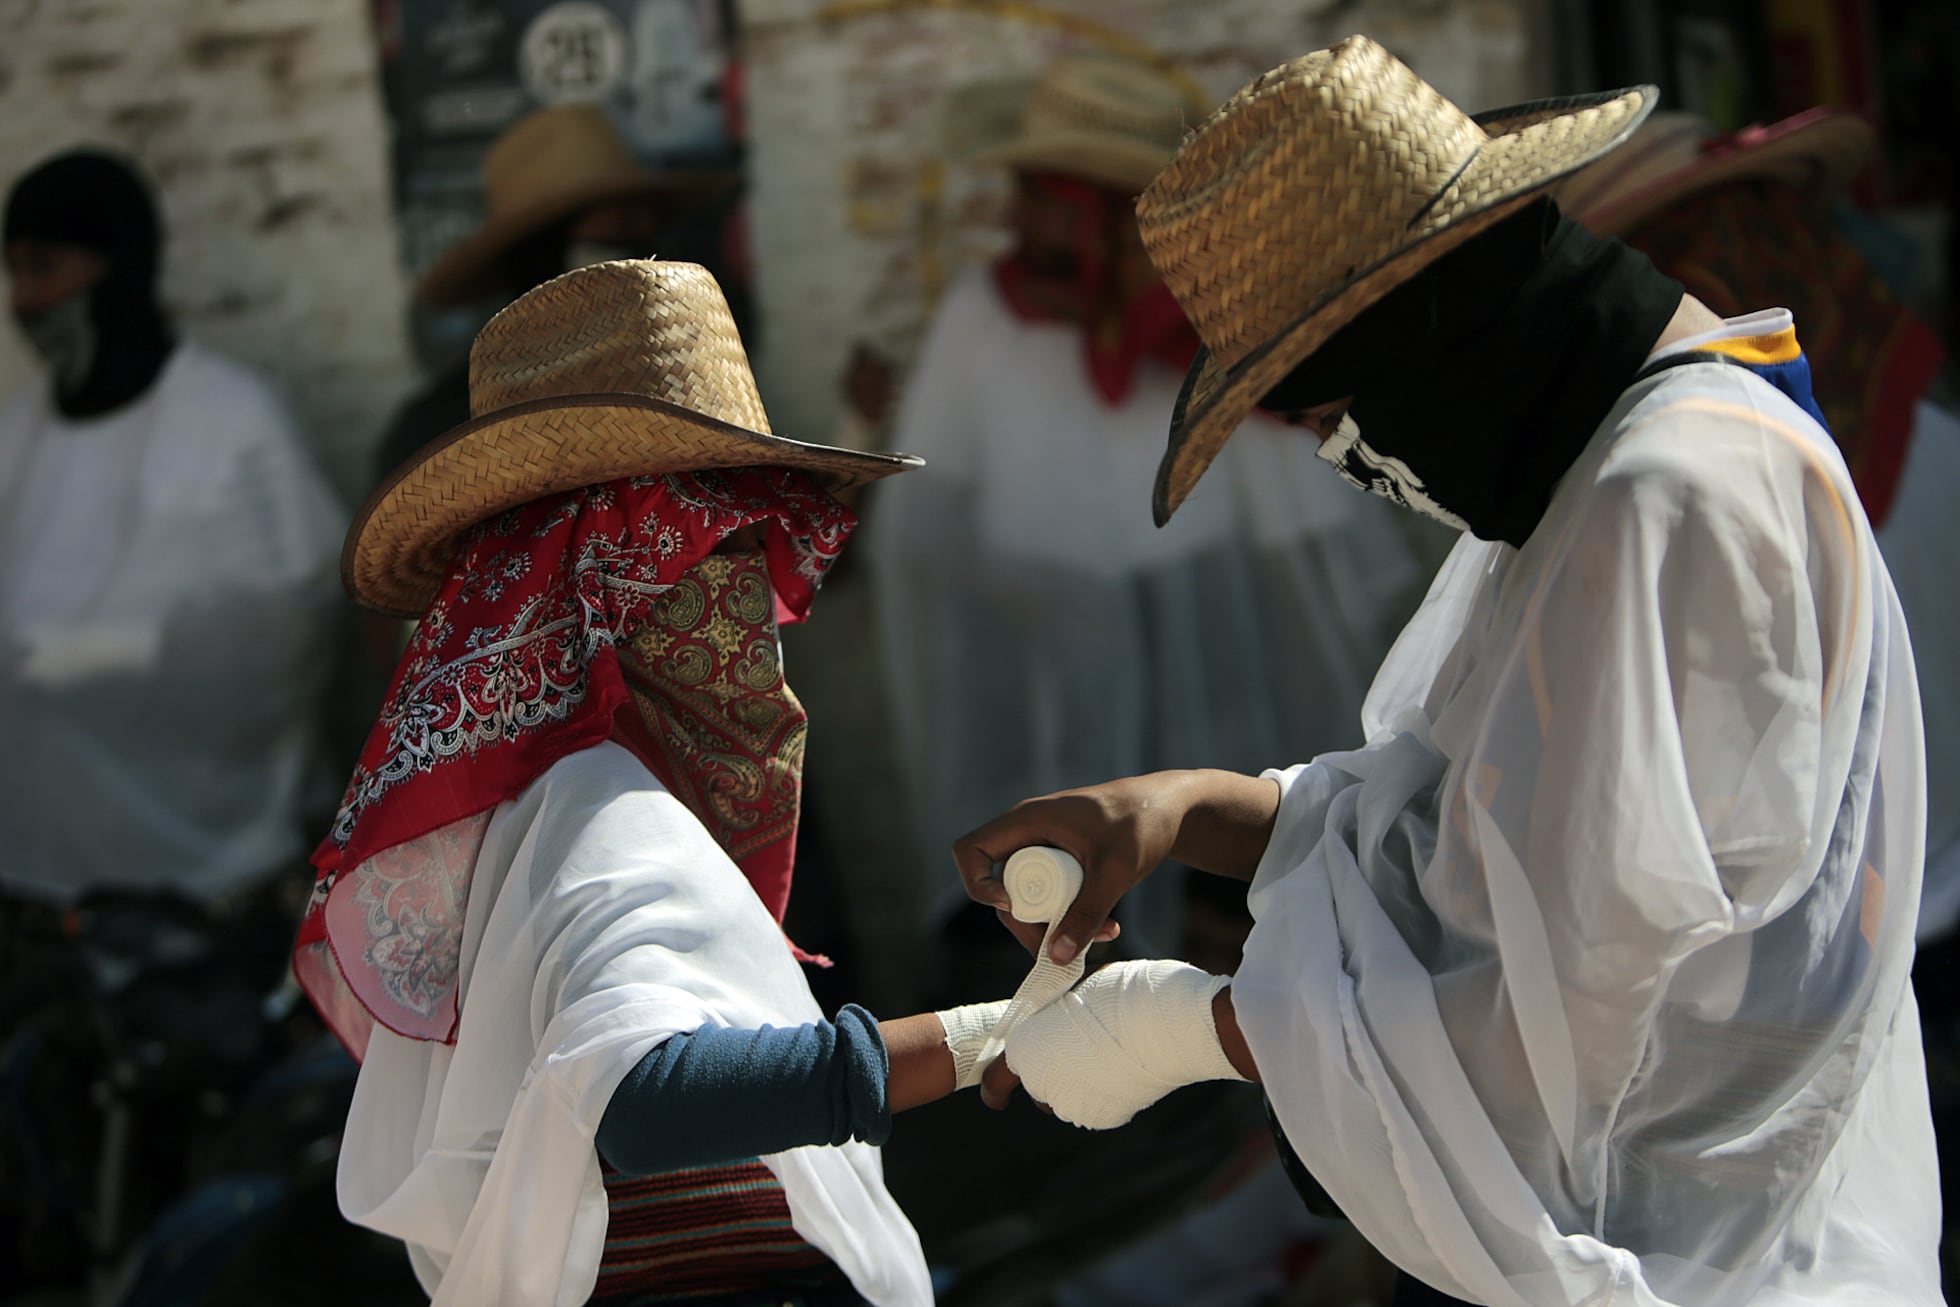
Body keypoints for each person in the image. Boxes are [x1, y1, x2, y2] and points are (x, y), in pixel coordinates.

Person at [955, 38, 1943, 1305]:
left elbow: (1559, 1021)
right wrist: (1189, 809)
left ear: (1424, 331)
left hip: (1710, 1259)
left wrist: (1180, 1029)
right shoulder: (1611, 465)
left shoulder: (1665, 498)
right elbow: (1494, 847)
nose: (1345, 460)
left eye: (1327, 419)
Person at [300, 258, 1028, 1307]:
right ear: (609, 588)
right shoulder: (604, 804)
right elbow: (637, 1096)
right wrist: (992, 1037)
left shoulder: (533, 791)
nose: (757, 603)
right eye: (722, 553)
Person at [867, 52, 1438, 950]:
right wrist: (1032, 588)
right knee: (1048, 910)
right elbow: (923, 529)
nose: (1027, 218)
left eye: (1057, 197)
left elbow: (1304, 543)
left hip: (1218, 683)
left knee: (1229, 919)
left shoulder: (1210, 336)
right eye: (1029, 191)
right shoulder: (987, 315)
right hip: (1045, 690)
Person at [0, 148, 343, 911]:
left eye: (46, 267)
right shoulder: (15, 432)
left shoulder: (229, 419)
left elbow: (291, 616)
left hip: (206, 854)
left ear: (120, 268)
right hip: (32, 853)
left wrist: (107, 654)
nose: (24, 299)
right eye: (14, 270)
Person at [374, 104, 736, 479]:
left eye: (651, 225)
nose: (645, 251)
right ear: (543, 253)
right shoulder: (438, 432)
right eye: (620, 225)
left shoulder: (691, 384)